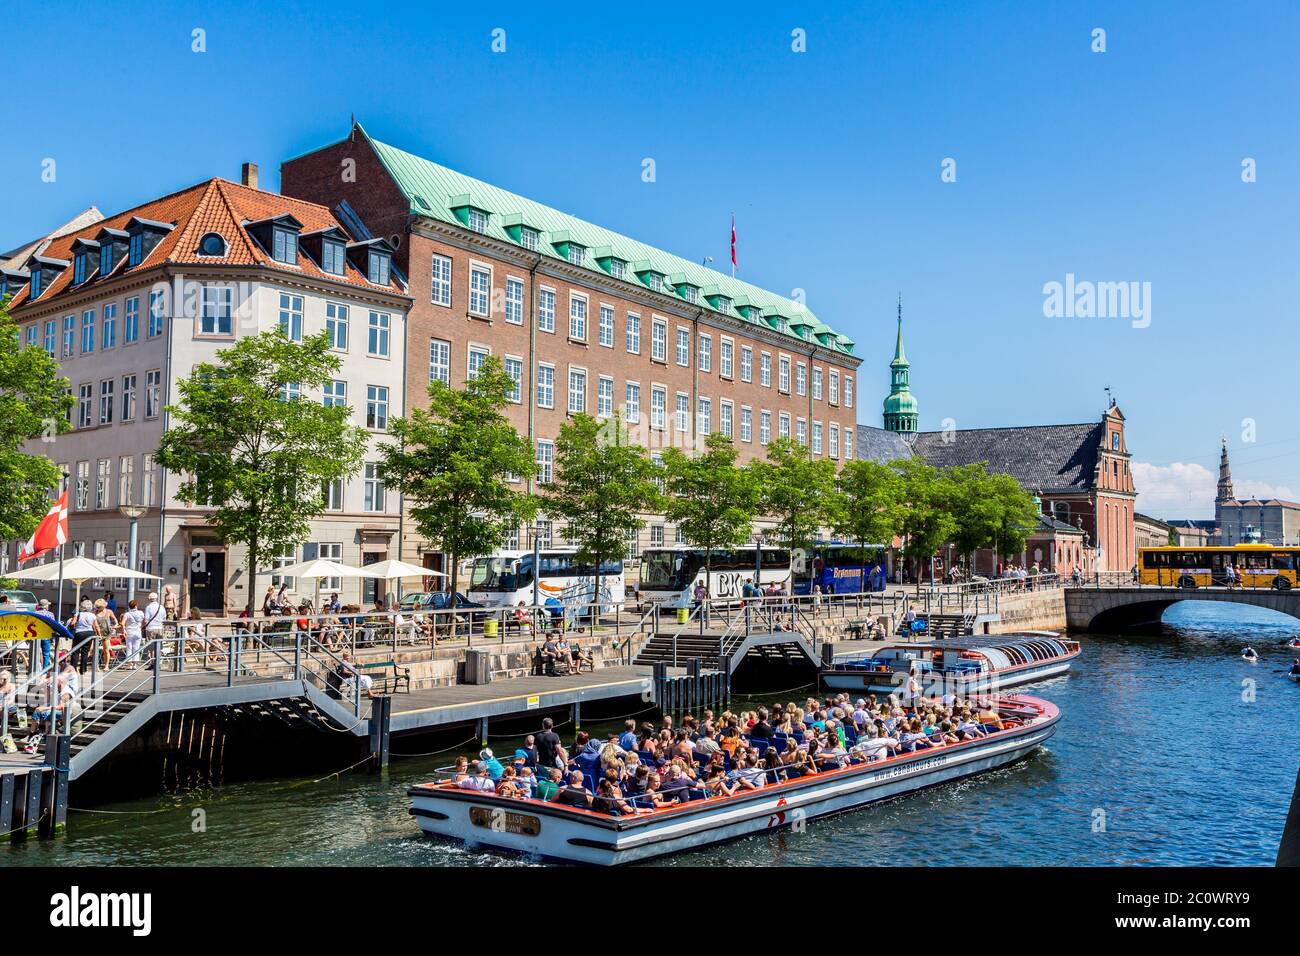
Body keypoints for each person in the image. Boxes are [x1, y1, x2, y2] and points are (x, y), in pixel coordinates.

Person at [121, 599, 145, 666]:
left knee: (129, 647)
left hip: (129, 631)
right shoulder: (141, 613)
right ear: (136, 606)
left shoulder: (127, 614)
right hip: (138, 631)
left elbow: (122, 623)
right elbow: (145, 621)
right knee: (136, 647)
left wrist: (124, 631)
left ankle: (130, 664)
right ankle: (135, 664)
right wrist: (141, 627)